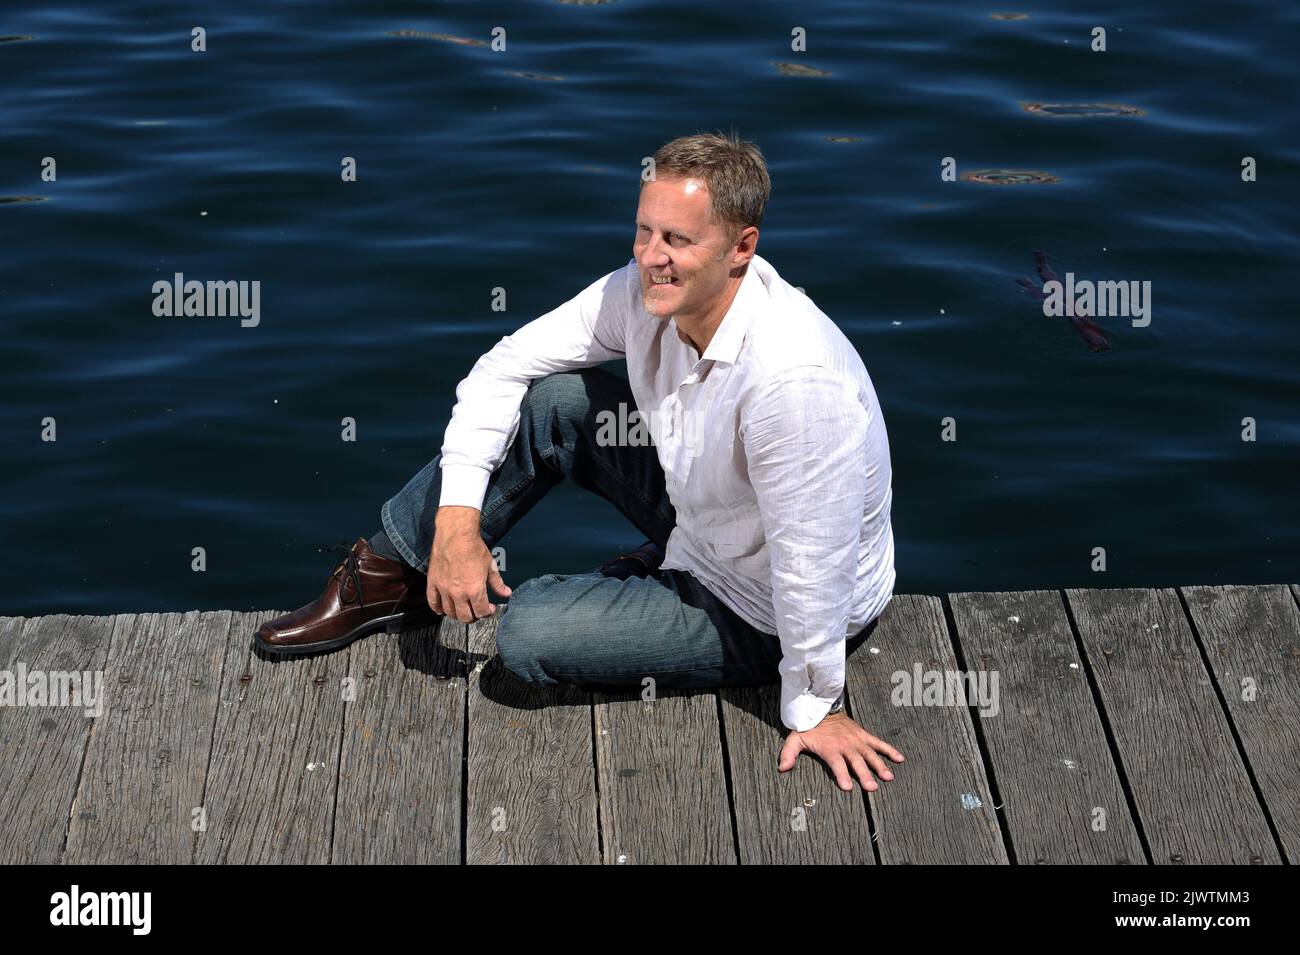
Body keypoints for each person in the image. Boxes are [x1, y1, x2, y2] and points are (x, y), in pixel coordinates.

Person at [256, 131, 904, 792]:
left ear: (743, 247)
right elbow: (502, 368)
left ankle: (645, 587)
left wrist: (814, 704)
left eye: (677, 241)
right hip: (707, 514)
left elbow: (812, 563)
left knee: (529, 635)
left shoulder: (794, 386)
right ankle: (393, 574)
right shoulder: (645, 292)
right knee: (558, 399)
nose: (653, 258)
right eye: (644, 231)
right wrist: (456, 526)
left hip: (763, 603)